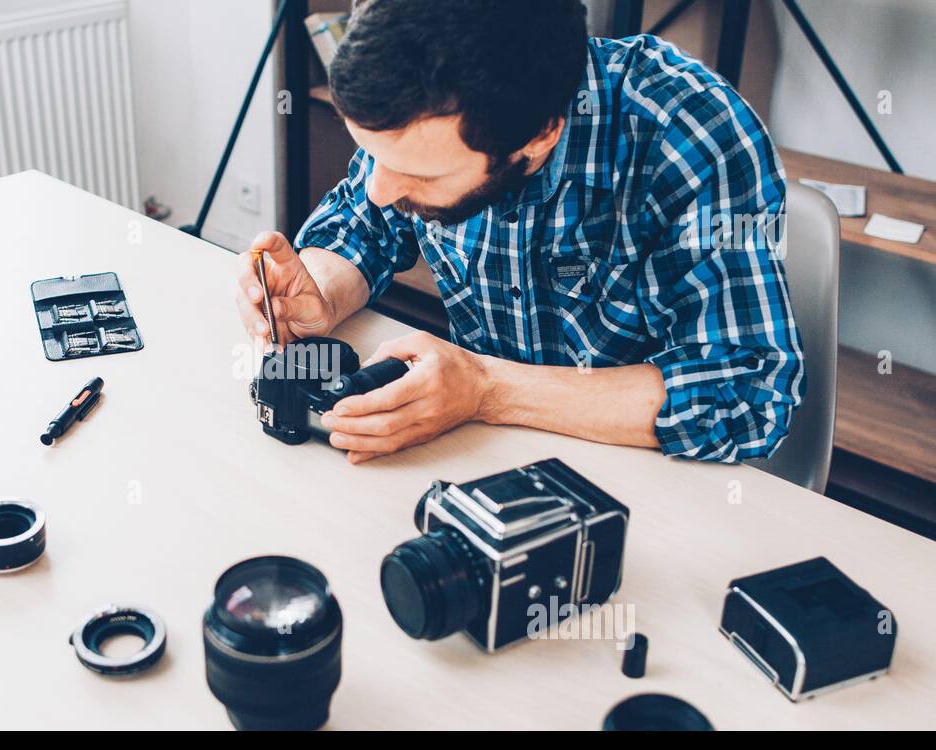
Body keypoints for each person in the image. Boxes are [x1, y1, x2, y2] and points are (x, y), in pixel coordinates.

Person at [233, 0, 803, 465]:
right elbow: (365, 226)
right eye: (369, 153)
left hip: (639, 472)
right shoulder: (421, 116)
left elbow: (747, 392)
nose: (380, 187)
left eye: (421, 174)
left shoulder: (689, 132)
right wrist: (322, 291)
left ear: (537, 138)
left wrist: (486, 388)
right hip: (474, 451)